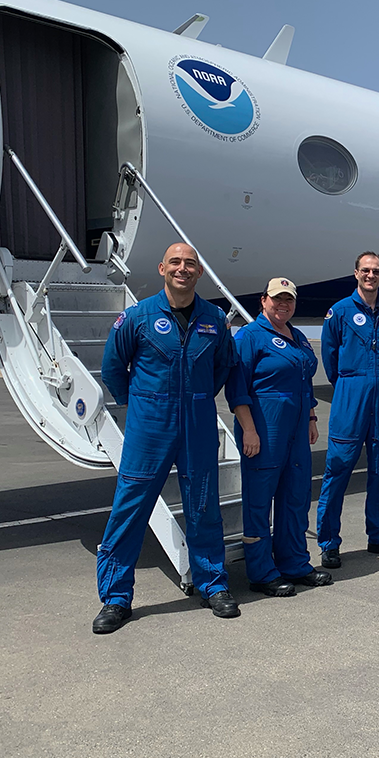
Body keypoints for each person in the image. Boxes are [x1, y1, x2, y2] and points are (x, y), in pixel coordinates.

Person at [92, 243, 240, 633]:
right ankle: (116, 598)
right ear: (162, 268)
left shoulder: (214, 319)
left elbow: (223, 365)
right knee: (130, 509)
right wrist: (141, 405)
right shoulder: (138, 317)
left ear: (199, 273)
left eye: (190, 263)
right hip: (150, 427)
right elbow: (112, 368)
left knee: (204, 507)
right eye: (175, 262)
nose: (183, 269)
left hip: (197, 424)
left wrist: (195, 398)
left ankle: (213, 585)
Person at [226, 277, 335, 598]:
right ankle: (261, 572)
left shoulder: (299, 337)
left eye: (289, 299)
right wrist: (248, 429)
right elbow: (236, 389)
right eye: (277, 299)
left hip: (298, 430)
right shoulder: (249, 337)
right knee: (259, 503)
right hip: (263, 430)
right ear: (263, 300)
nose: (283, 304)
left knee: (295, 498)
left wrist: (312, 417)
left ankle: (295, 562)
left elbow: (305, 383)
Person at [315, 251, 379, 567]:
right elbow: (329, 358)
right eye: (366, 270)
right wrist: (349, 385)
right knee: (338, 468)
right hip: (350, 396)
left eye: (377, 271)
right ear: (355, 273)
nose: (371, 276)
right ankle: (329, 543)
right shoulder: (339, 312)